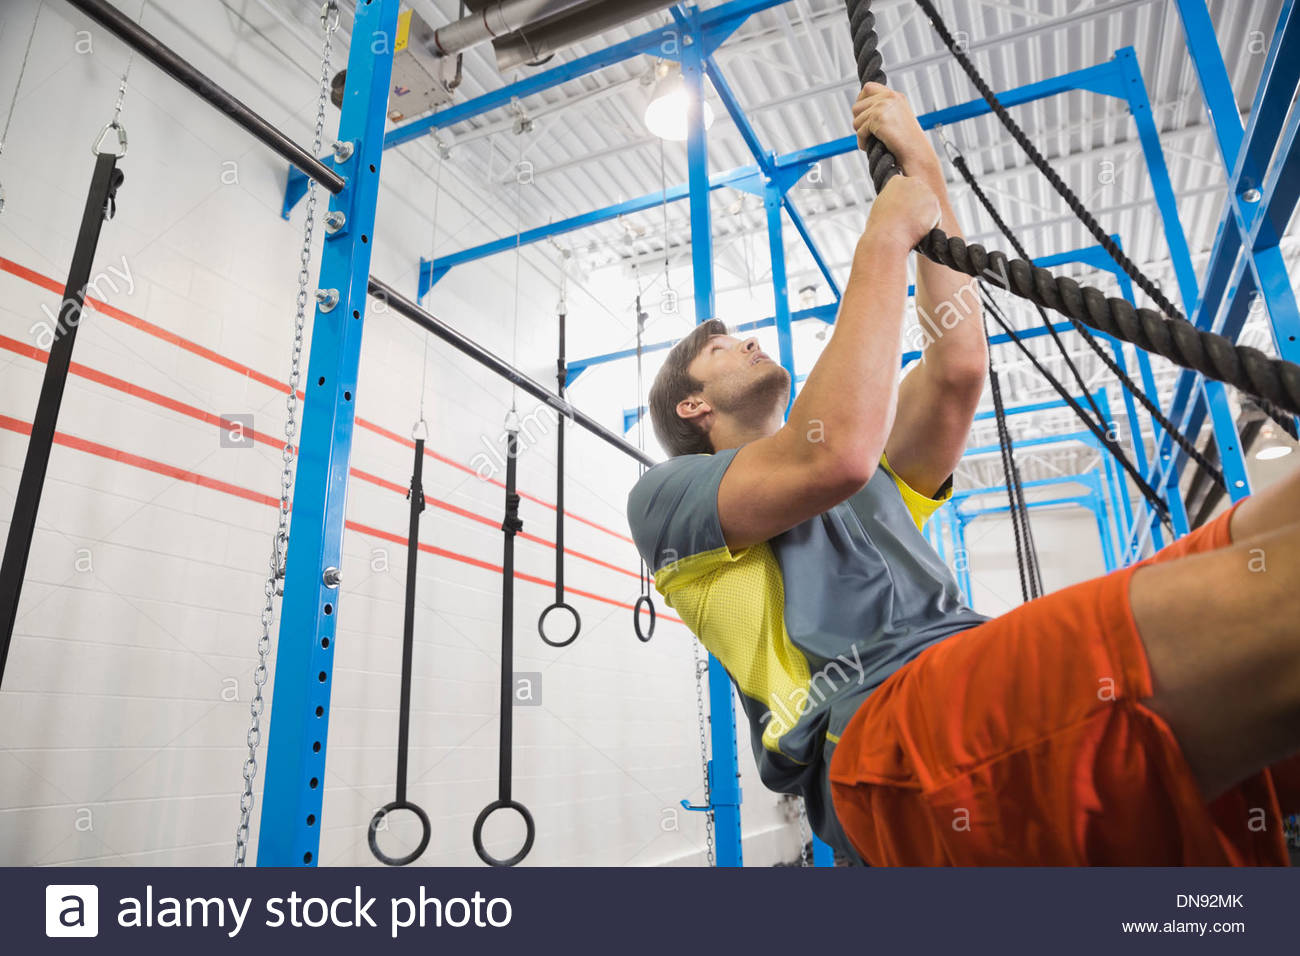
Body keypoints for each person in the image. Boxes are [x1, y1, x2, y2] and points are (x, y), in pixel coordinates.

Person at [626, 82, 1300, 866]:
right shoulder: (669, 502)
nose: (746, 344)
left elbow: (953, 371)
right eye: (722, 348)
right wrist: (880, 243)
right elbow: (829, 454)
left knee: (1276, 533)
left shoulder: (869, 477)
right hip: (878, 732)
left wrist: (922, 167)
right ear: (692, 410)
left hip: (968, 657)